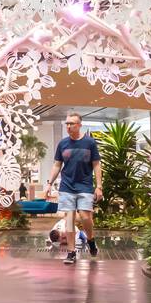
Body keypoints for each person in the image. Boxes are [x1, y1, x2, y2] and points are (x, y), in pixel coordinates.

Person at [43, 111, 102, 265]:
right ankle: (71, 252)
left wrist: (99, 186)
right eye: (67, 123)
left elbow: (96, 164)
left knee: (85, 217)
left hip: (85, 186)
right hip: (67, 186)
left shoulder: (89, 143)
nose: (68, 126)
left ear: (79, 125)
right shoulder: (63, 144)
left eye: (71, 123)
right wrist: (49, 184)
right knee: (69, 220)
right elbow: (57, 165)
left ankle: (91, 240)